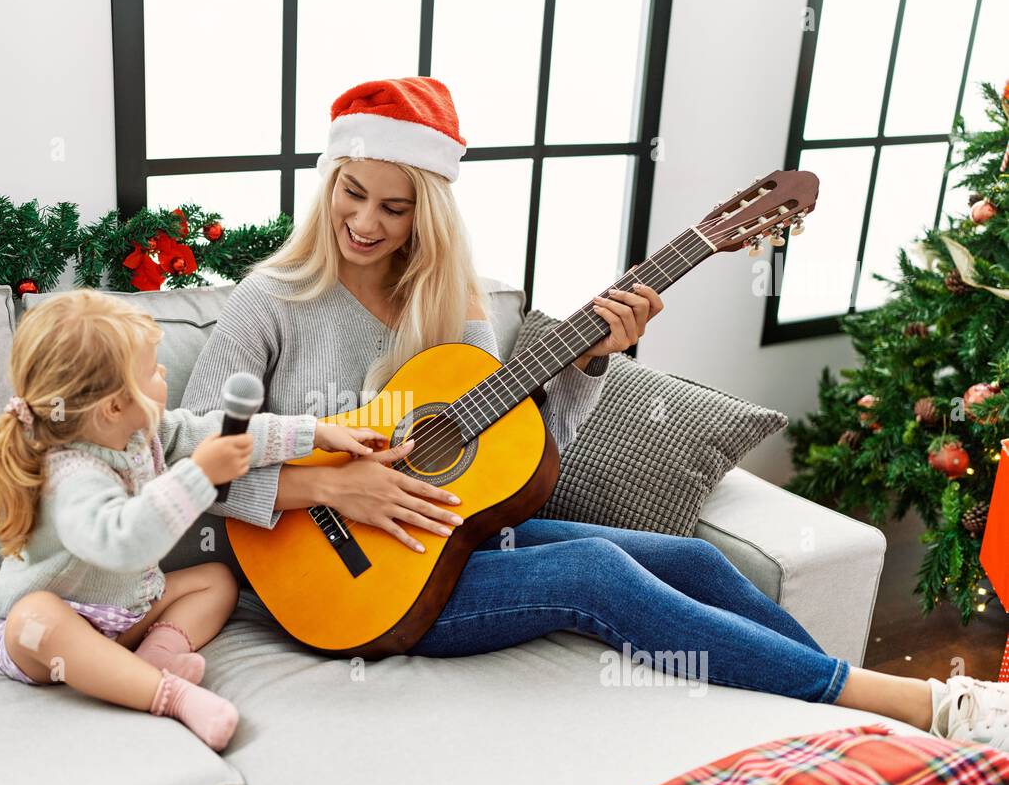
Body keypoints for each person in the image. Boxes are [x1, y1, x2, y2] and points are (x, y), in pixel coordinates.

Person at [180, 75, 1009, 749]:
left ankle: (837, 720)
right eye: (352, 195)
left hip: (444, 541)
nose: (364, 222)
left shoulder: (450, 303)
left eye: (394, 209)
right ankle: (913, 703)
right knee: (596, 576)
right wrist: (331, 490)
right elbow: (187, 458)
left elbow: (514, 458)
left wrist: (590, 359)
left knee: (689, 562)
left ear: (426, 214)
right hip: (334, 586)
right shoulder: (272, 300)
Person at [0, 289, 382, 750]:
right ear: (112, 406)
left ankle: (154, 659)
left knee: (217, 580)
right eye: (151, 371)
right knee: (36, 617)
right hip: (53, 636)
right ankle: (166, 694)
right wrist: (200, 473)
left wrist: (315, 433)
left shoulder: (144, 432)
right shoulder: (69, 475)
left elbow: (219, 431)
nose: (163, 372)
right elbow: (122, 540)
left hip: (124, 615)